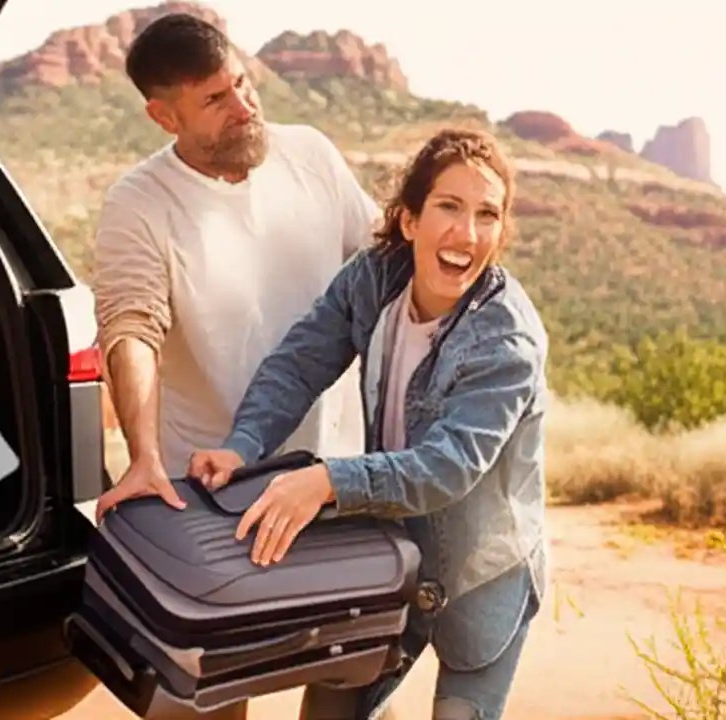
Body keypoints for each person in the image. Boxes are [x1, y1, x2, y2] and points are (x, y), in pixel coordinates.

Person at [189, 127, 549, 720]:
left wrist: (329, 481)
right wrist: (243, 445)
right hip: (391, 559)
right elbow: (299, 363)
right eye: (449, 207)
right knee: (331, 711)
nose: (467, 233)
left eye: (487, 214)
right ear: (409, 220)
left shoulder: (506, 341)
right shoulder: (374, 278)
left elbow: (447, 467)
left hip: (484, 577)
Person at [90, 8, 377, 526]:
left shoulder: (311, 154)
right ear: (164, 118)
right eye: (215, 100)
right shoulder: (138, 203)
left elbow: (387, 264)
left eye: (242, 84)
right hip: (214, 492)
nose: (244, 109)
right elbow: (131, 329)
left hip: (332, 480)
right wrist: (143, 458)